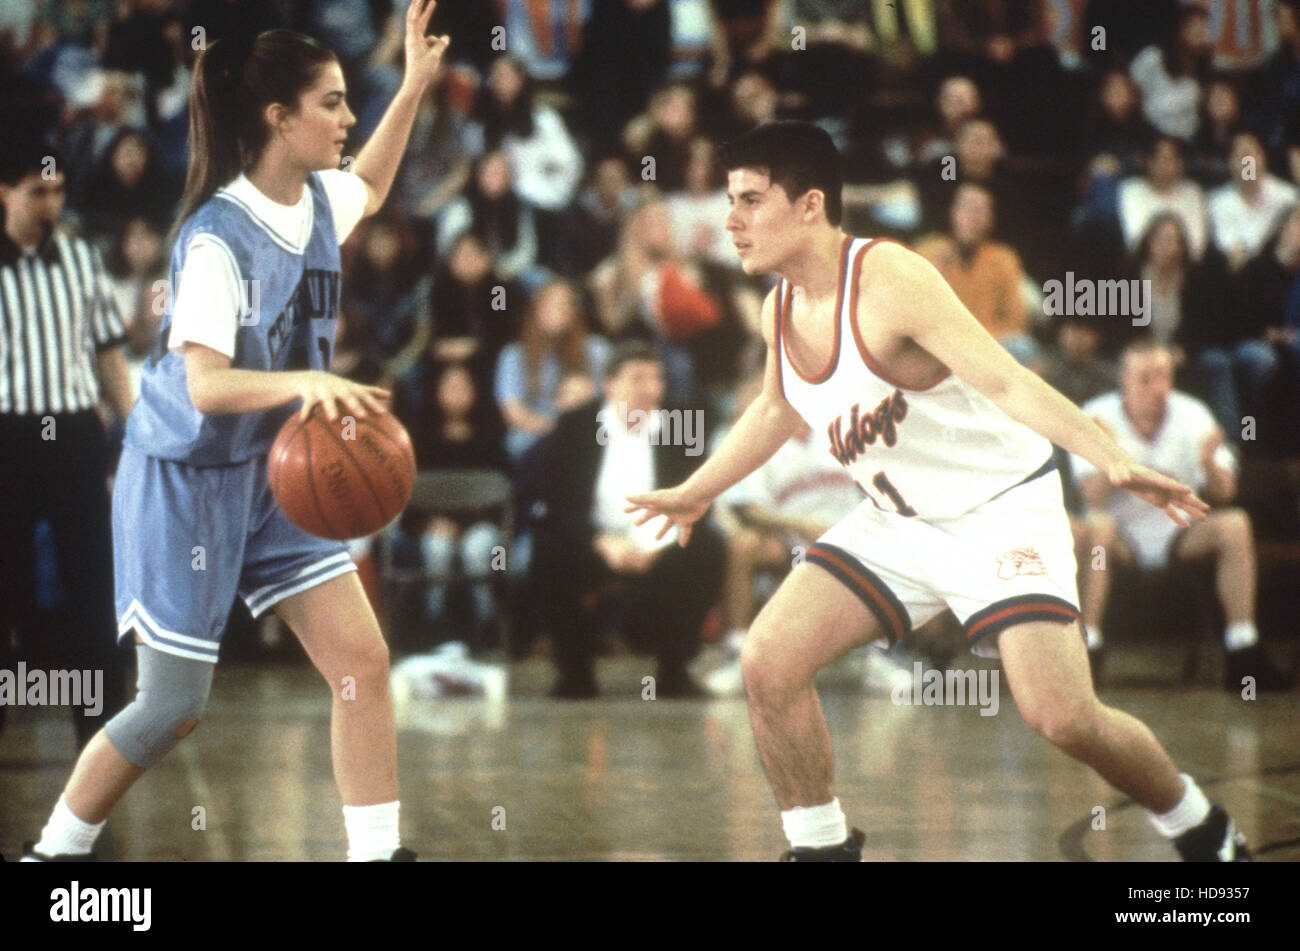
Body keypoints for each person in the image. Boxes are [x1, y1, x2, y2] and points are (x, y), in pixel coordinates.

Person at [627, 121, 1253, 862]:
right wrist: (697, 488)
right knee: (767, 659)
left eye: (750, 200)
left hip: (998, 511)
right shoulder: (778, 306)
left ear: (809, 205)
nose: (730, 220)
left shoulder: (890, 277)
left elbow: (1006, 377)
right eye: (730, 201)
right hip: (898, 522)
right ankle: (821, 848)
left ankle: (1194, 819)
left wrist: (1109, 456)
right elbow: (774, 410)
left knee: (1063, 717)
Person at [22, 1, 451, 863]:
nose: (346, 117)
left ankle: (377, 855)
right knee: (170, 705)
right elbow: (206, 386)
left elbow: (368, 182)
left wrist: (412, 86)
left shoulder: (321, 201)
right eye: (331, 103)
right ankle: (52, 856)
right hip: (186, 479)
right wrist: (311, 380)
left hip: (276, 475)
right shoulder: (214, 239)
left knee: (362, 659)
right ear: (277, 117)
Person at [0, 142, 133, 759]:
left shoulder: (82, 258)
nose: (51, 204)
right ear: (5, 192)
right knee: (9, 590)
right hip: (7, 437)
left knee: (91, 586)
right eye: (37, 191)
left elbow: (109, 357)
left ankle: (100, 732)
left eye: (57, 191)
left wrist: (139, 434)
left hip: (75, 432)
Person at [1073, 340, 1290, 691]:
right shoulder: (1096, 415)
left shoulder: (1194, 413)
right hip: (1120, 534)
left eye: (1163, 377)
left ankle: (1243, 648)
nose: (1156, 388)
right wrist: (1111, 455)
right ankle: (1089, 646)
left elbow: (1225, 492)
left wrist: (1207, 464)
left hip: (1177, 529)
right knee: (1097, 527)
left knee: (1235, 523)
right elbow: (1093, 497)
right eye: (1145, 379)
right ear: (1124, 380)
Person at [528, 341, 724, 698]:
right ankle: (575, 672)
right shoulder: (576, 424)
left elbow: (699, 496)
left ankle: (674, 670)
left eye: (656, 379)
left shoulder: (683, 422)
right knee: (549, 550)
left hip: (661, 537)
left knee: (709, 548)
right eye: (637, 379)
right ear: (610, 385)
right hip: (596, 538)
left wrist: (652, 546)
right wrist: (601, 542)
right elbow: (557, 502)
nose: (650, 389)